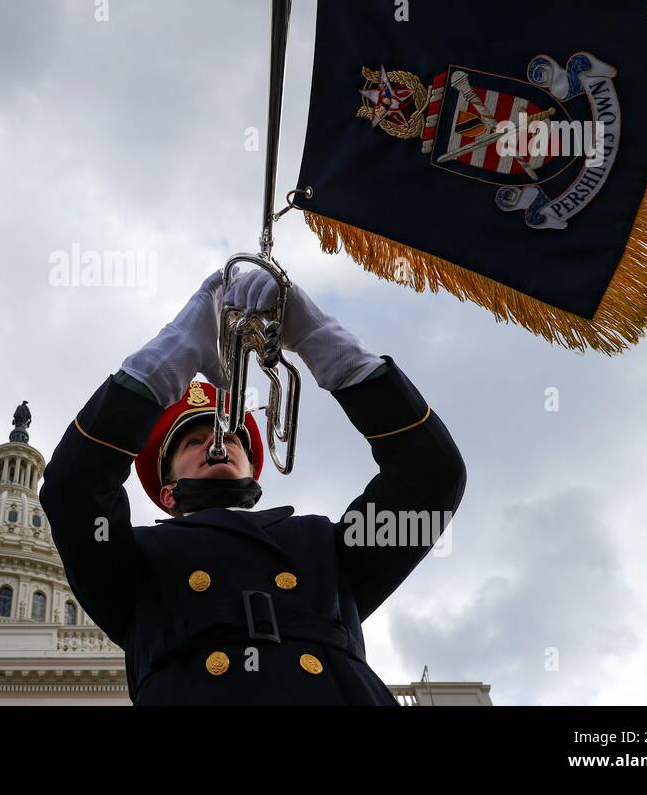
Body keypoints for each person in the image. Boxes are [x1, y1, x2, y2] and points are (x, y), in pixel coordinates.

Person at [39, 267, 466, 704]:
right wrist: (163, 364)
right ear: (167, 492)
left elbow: (430, 477)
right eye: (192, 441)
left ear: (253, 473)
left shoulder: (324, 546)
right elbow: (73, 488)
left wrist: (321, 341)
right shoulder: (133, 561)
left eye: (232, 437)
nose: (217, 440)